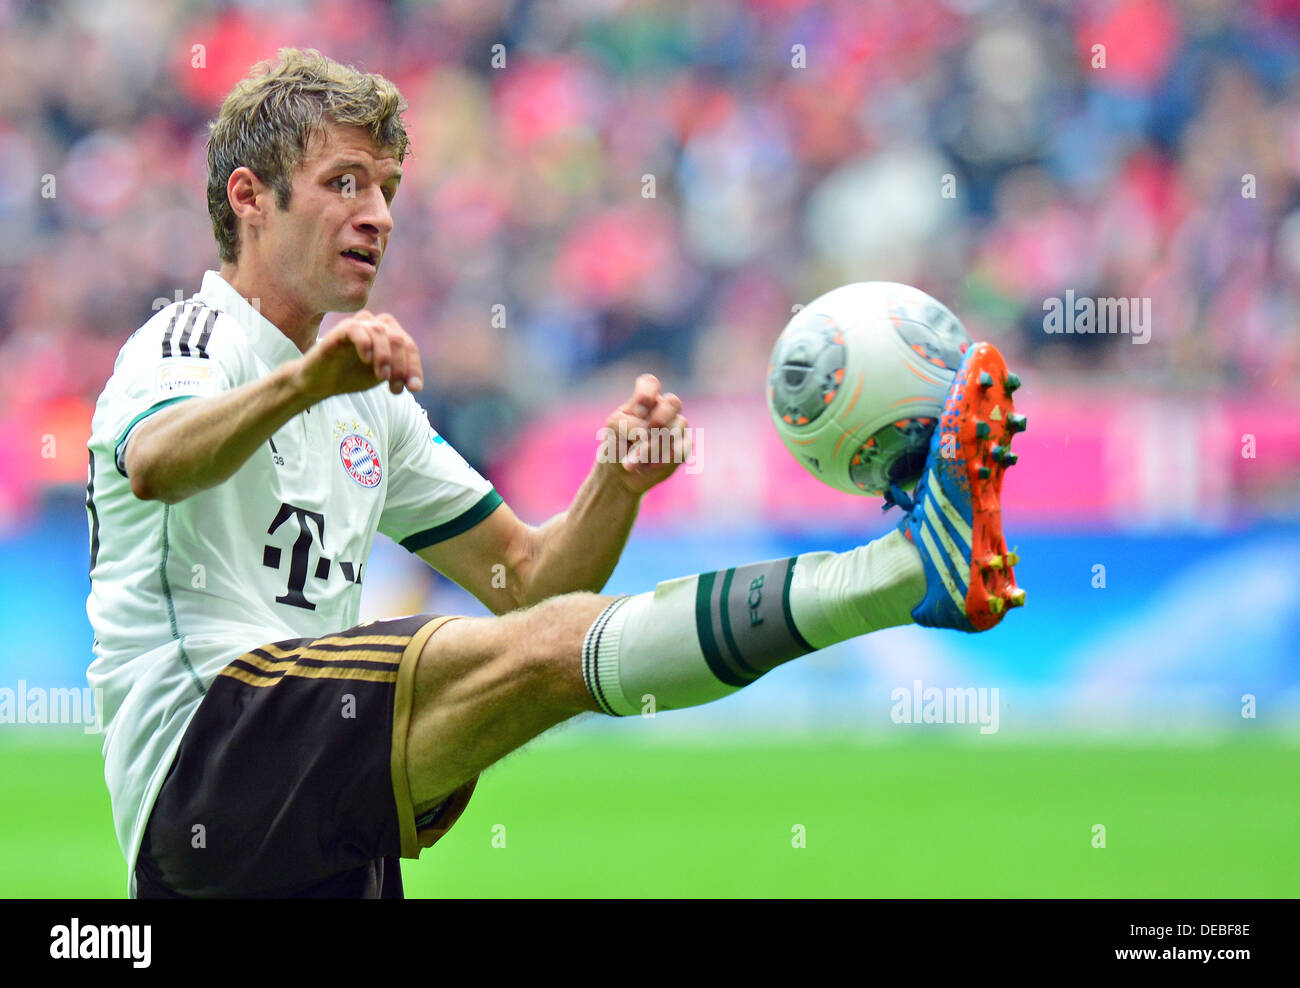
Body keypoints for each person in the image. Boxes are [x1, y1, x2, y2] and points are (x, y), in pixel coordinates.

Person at [85, 49, 1025, 898]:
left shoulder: (368, 401)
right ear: (250, 197)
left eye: (389, 188)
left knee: (545, 641)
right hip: (207, 750)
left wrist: (615, 485)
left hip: (304, 811)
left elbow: (529, 580)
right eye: (344, 183)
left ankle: (906, 569)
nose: (378, 215)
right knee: (545, 656)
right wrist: (306, 383)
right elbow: (159, 463)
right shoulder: (190, 341)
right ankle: (903, 571)